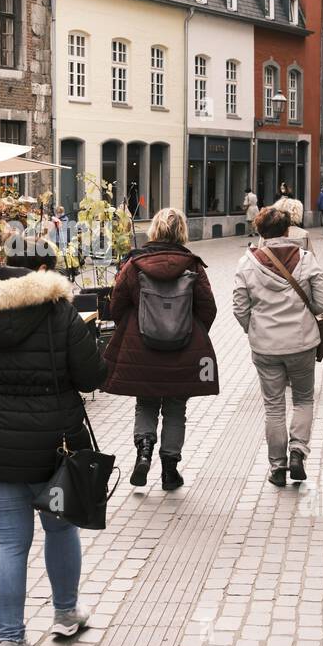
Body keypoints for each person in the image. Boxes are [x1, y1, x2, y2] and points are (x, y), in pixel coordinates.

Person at [0, 240, 107, 646]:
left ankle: (10, 644)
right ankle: (66, 614)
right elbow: (92, 376)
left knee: (7, 543)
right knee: (59, 530)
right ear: (38, 271)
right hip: (54, 447)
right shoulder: (59, 312)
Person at [102, 208, 219, 492]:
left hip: (142, 348)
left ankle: (144, 451)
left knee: (146, 402)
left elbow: (116, 304)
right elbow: (208, 308)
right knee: (176, 408)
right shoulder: (192, 266)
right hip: (183, 350)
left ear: (153, 230)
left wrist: (133, 328)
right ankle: (169, 471)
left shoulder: (135, 264)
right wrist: (189, 331)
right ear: (181, 232)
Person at [233, 207, 323, 486]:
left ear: (260, 232)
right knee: (303, 400)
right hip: (301, 344)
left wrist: (254, 329)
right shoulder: (305, 259)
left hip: (265, 347)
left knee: (273, 406)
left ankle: (277, 468)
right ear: (288, 231)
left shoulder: (247, 263)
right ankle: (298, 452)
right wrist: (305, 308)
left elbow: (240, 308)